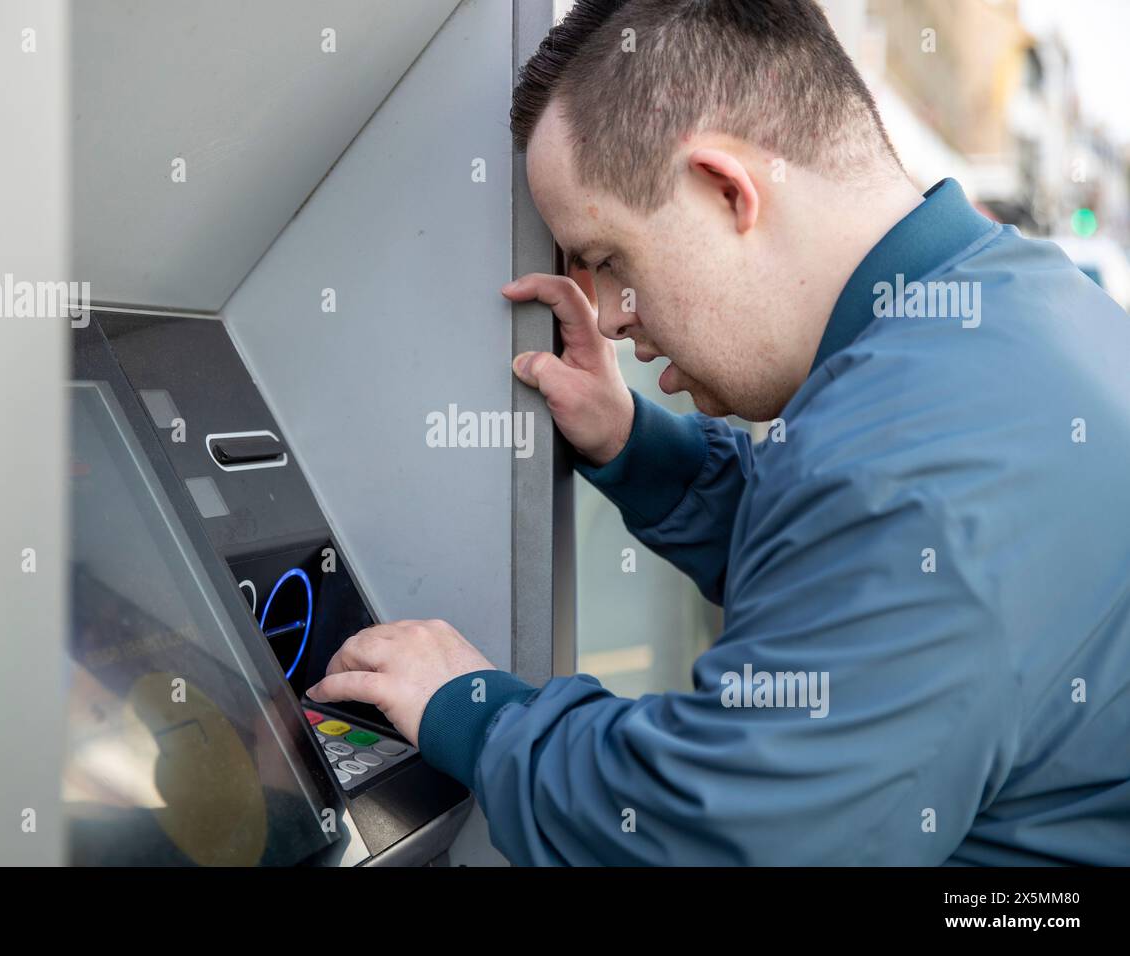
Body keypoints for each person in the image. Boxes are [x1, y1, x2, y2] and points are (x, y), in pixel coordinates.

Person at [307, 0, 1130, 864]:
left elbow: (717, 833)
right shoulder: (1028, 301)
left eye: (611, 260)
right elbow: (860, 593)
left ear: (727, 189)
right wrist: (636, 446)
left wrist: (473, 712)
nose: (613, 316)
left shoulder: (898, 477)